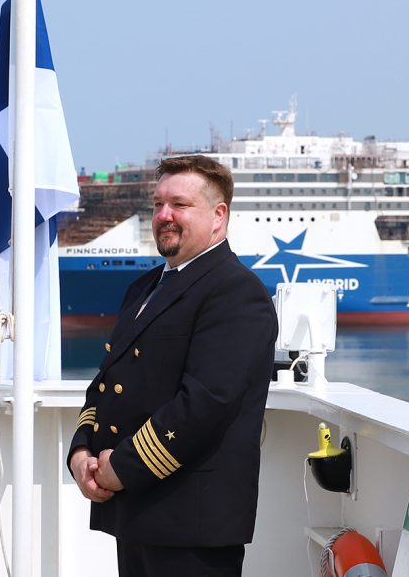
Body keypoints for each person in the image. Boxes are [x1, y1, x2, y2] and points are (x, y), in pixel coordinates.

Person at [67, 154, 278, 577]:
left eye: (180, 205)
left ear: (219, 216)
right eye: (158, 204)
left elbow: (205, 403)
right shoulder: (143, 288)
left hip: (192, 524)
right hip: (135, 511)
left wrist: (121, 468)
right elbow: (107, 383)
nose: (164, 215)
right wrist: (81, 451)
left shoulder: (237, 293)